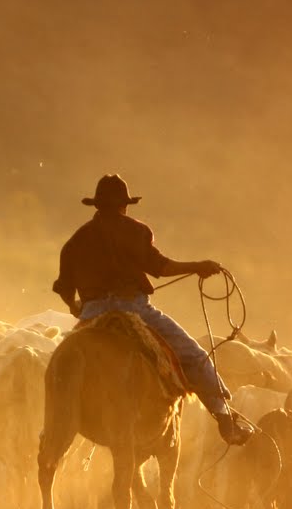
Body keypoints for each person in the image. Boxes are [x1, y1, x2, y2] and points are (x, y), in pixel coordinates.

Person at [52, 174, 254, 445]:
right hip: (134, 310)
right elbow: (161, 267)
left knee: (60, 366)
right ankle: (225, 418)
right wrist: (197, 266)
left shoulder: (76, 241)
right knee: (194, 356)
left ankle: (50, 426)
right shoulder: (136, 231)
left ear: (97, 206)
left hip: (92, 313)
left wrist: (76, 308)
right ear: (124, 205)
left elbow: (64, 287)